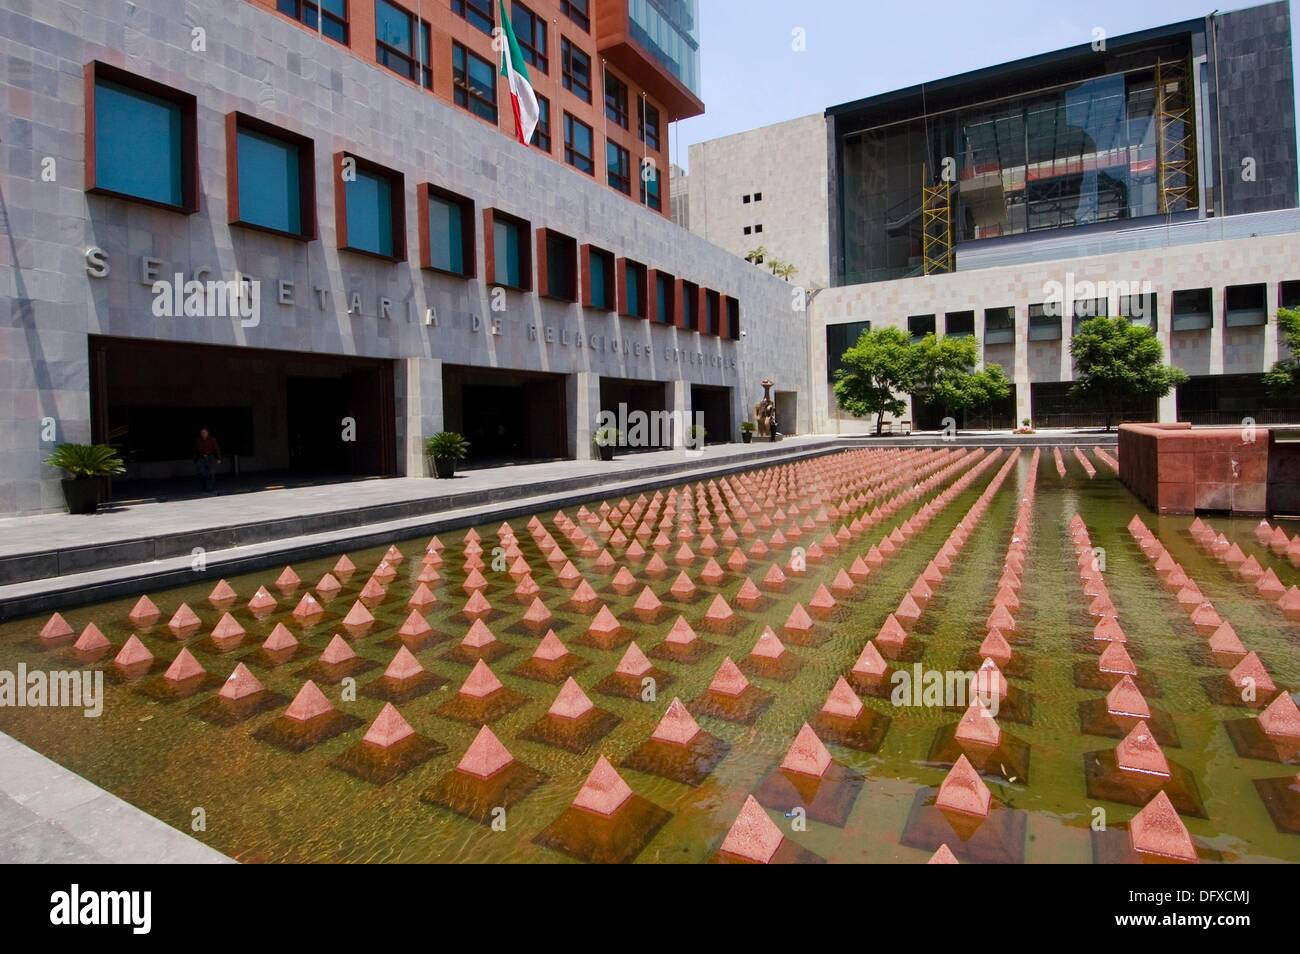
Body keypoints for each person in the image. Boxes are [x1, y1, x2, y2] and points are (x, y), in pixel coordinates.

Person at [193, 427, 222, 493]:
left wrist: (218, 458)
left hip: (210, 457)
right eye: (202, 433)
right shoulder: (198, 440)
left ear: (207, 433)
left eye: (204, 432)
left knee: (211, 473)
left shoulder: (212, 439)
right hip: (201, 457)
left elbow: (216, 449)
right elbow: (195, 450)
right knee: (201, 473)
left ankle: (210, 487)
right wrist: (195, 459)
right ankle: (204, 486)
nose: (203, 434)